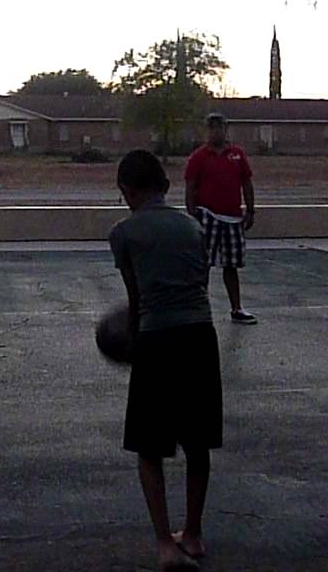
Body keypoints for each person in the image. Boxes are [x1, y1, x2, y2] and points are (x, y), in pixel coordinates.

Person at [109, 150, 222, 572]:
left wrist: (130, 343)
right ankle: (192, 533)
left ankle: (164, 542)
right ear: (168, 186)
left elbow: (137, 297)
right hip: (199, 335)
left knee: (149, 446)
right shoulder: (193, 227)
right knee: (197, 442)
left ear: (126, 190)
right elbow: (201, 283)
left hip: (157, 336)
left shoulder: (123, 233)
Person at [184, 111, 258, 325]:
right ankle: (199, 308)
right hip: (207, 216)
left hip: (234, 218)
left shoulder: (237, 155)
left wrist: (250, 210)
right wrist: (192, 212)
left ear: (226, 130)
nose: (216, 132)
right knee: (203, 263)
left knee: (231, 265)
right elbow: (190, 186)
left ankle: (236, 308)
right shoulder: (198, 157)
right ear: (207, 131)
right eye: (212, 127)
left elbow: (246, 182)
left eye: (220, 127)